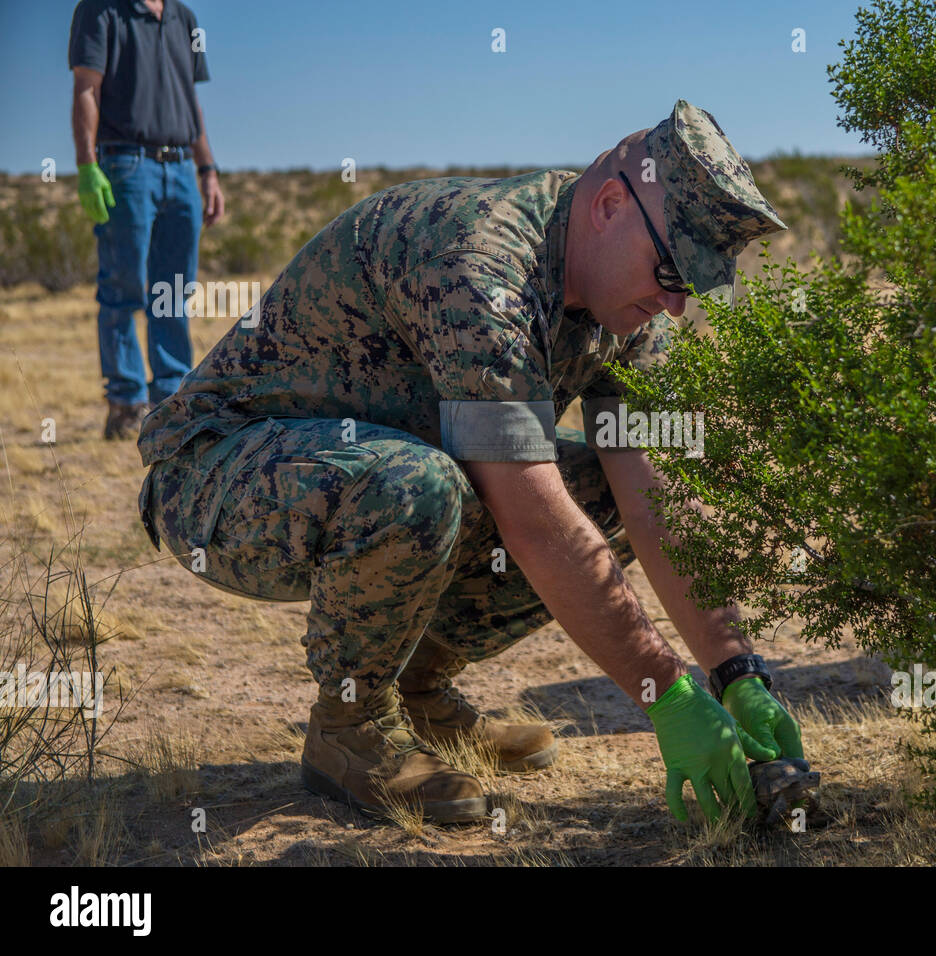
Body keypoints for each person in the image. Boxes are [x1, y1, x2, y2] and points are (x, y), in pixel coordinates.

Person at [136, 99, 803, 825]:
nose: (676, 305)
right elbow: (535, 523)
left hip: (369, 473)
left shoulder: (630, 311)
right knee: (420, 485)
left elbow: (655, 498)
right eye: (670, 270)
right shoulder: (482, 264)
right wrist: (670, 695)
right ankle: (348, 730)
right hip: (217, 479)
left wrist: (736, 671)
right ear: (611, 204)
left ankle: (419, 692)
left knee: (594, 494)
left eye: (692, 287)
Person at [69, 0, 225, 440]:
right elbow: (86, 87)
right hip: (125, 164)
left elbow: (190, 100)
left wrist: (208, 171)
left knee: (173, 290)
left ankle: (172, 401)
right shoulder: (101, 11)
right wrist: (87, 165)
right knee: (123, 288)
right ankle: (126, 403)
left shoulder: (183, 17)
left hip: (180, 168)